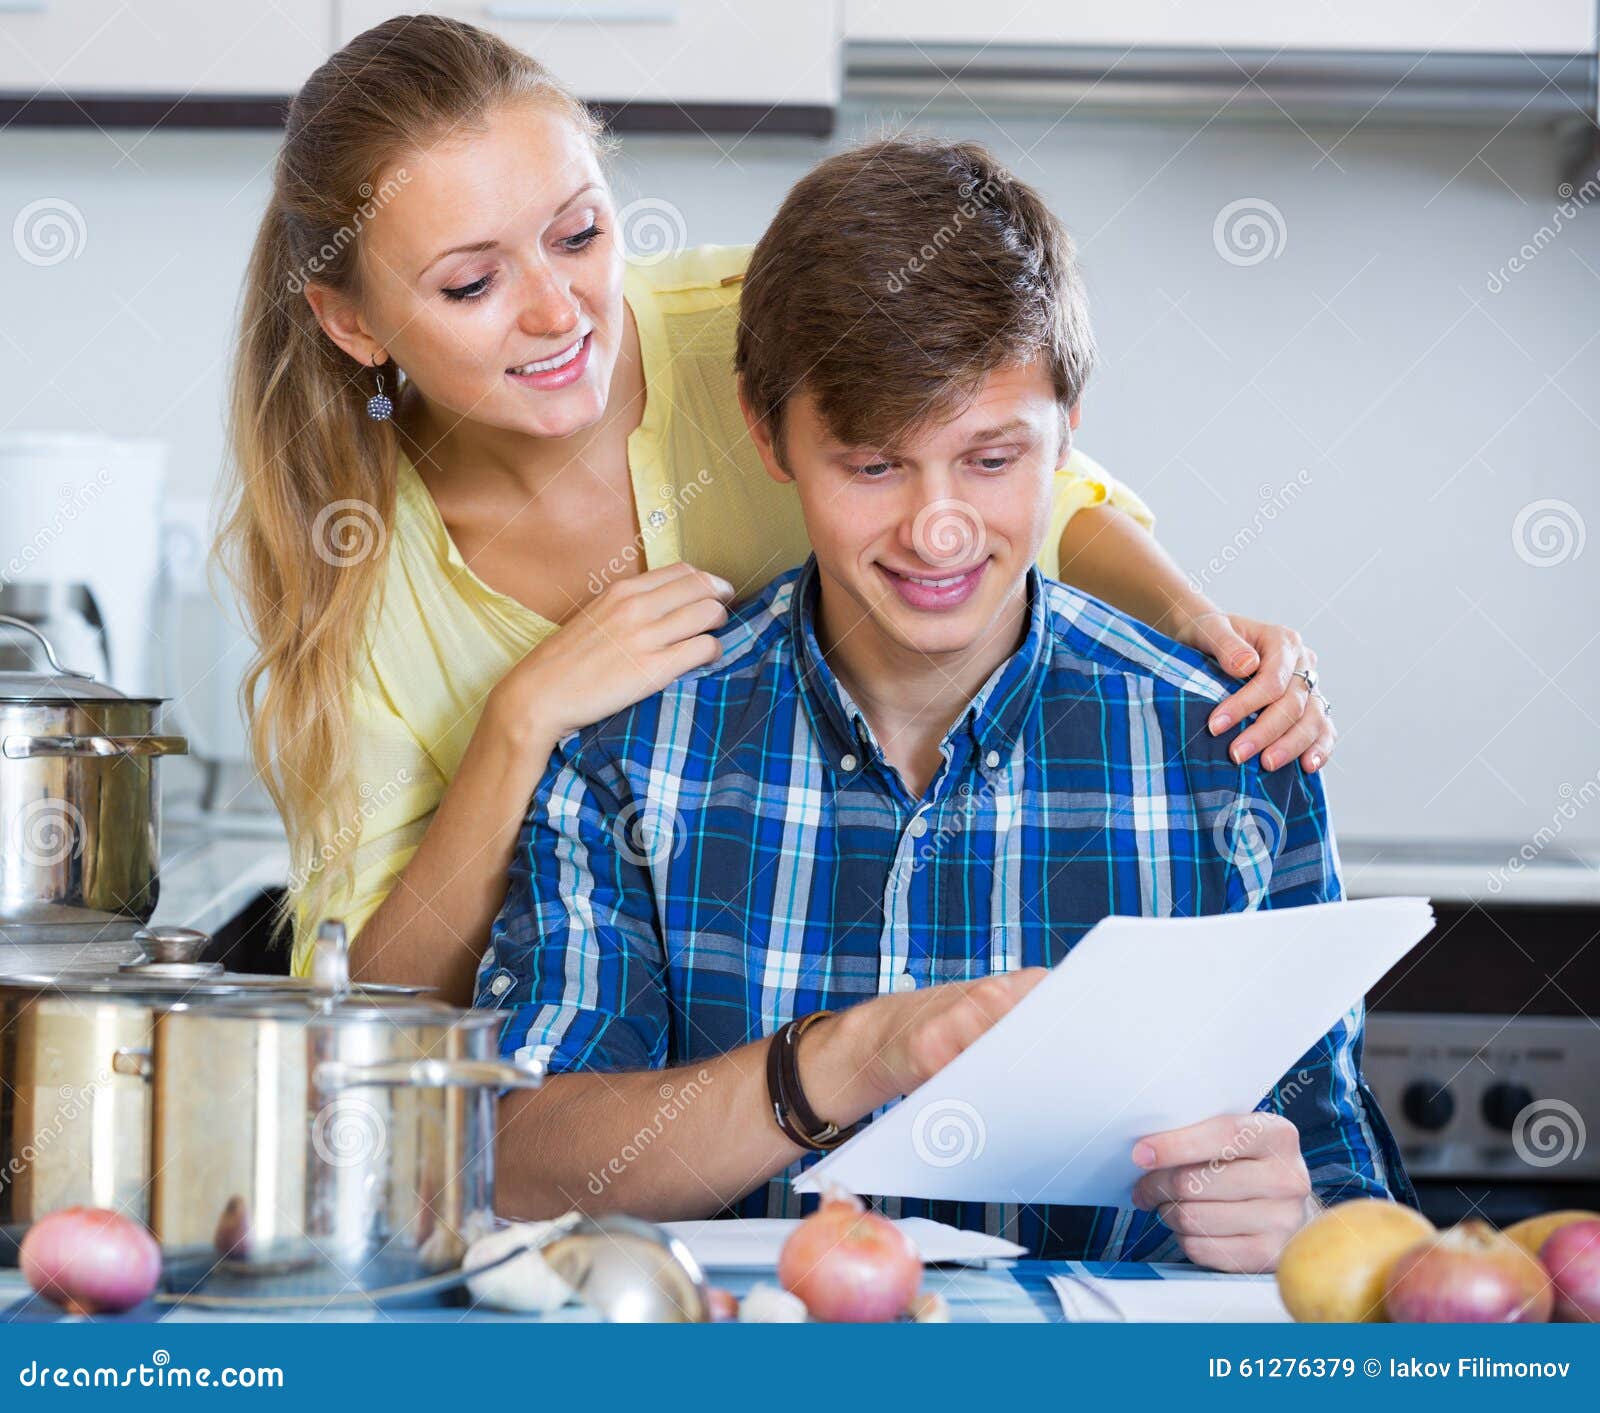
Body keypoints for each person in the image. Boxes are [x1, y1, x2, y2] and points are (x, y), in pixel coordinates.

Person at [217, 14, 1336, 1005]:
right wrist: (521, 723)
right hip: (582, 1082)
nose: (558, 310)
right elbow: (368, 1000)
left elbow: (1014, 489)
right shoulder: (349, 551)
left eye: (579, 236)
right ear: (352, 323)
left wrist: (1205, 630)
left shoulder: (739, 330)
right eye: (472, 285)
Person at [478, 136, 1411, 1270]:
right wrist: (846, 1059)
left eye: (989, 460)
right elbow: (514, 1169)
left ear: (1067, 429)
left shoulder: (1229, 749)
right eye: (874, 467)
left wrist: (1297, 1220)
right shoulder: (634, 750)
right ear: (769, 434)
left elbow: (1357, 1204)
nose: (937, 531)